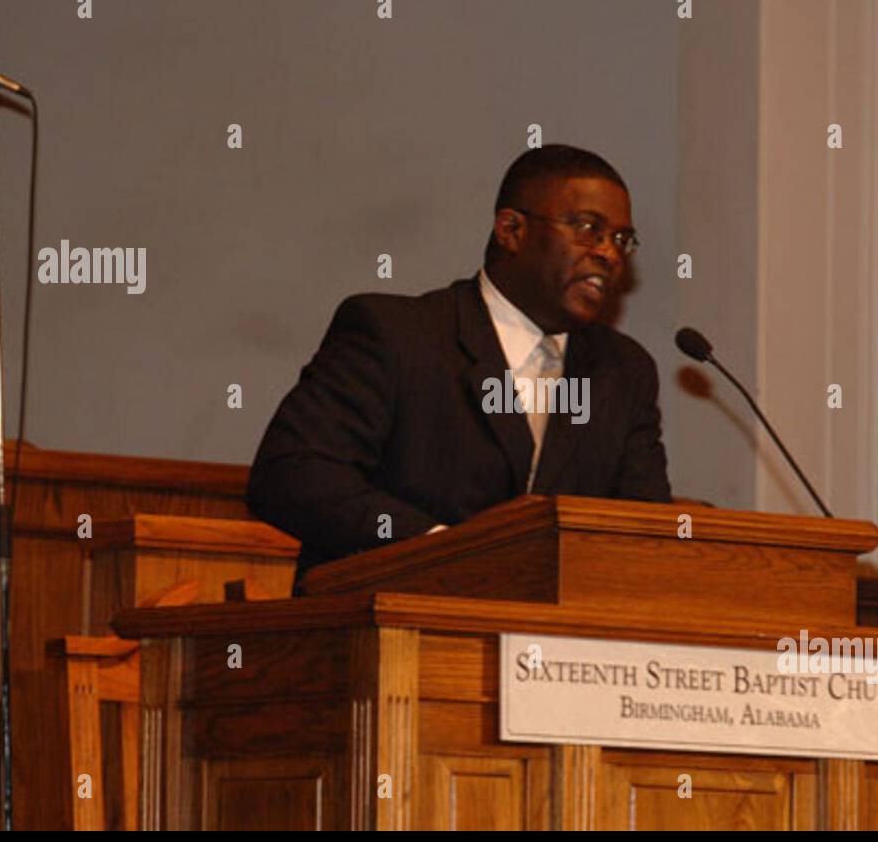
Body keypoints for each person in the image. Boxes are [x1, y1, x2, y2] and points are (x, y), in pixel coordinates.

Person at [248, 144, 672, 584]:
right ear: (511, 229)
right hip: (390, 616)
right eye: (588, 228)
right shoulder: (398, 335)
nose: (609, 253)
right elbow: (293, 474)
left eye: (621, 239)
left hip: (554, 641)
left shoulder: (623, 372)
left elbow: (642, 532)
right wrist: (443, 551)